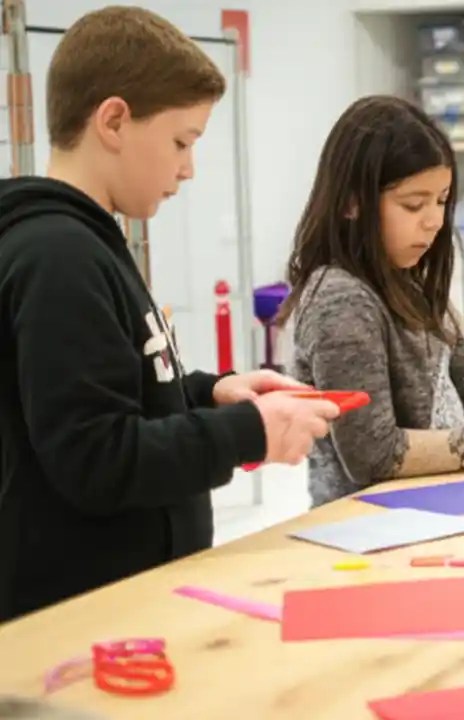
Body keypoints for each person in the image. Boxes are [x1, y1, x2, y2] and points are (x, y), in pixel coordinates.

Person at [0, 7, 338, 621]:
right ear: (113, 121)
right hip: (74, 619)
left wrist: (214, 394)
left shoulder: (92, 242)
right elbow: (97, 457)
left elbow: (116, 395)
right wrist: (251, 432)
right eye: (181, 142)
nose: (188, 167)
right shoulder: (58, 257)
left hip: (127, 602)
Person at [278, 95, 464, 507]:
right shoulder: (340, 300)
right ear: (351, 202)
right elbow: (372, 454)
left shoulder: (407, 281)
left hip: (437, 506)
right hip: (368, 524)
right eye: (413, 205)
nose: (434, 221)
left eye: (440, 201)